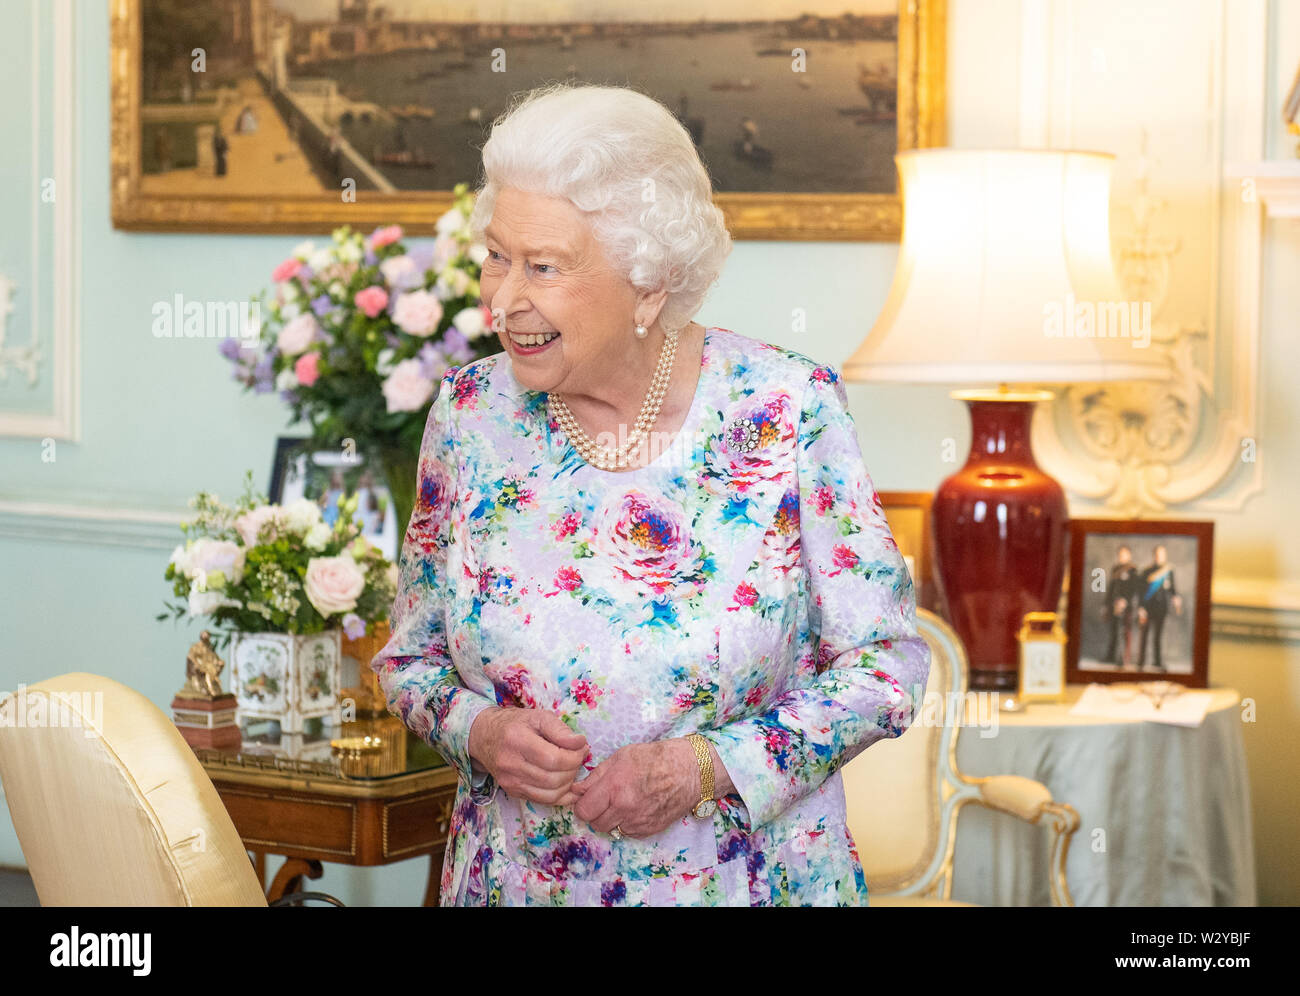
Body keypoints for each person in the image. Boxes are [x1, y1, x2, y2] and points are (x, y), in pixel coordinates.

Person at [370, 82, 930, 907]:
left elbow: (888, 667)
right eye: (498, 256)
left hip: (744, 883)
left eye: (544, 266)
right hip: (517, 883)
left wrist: (705, 767)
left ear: (649, 282)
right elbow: (408, 661)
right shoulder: (469, 414)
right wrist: (478, 732)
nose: (502, 300)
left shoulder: (785, 408)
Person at [1137, 544, 1182, 671]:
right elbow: (1141, 592)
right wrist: (1141, 608)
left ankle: (1157, 661)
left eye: (1162, 554)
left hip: (1161, 607)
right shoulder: (1147, 571)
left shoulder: (1168, 571)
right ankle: (1141, 662)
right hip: (1148, 607)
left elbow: (1172, 589)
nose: (1160, 557)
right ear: (1154, 555)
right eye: (1158, 554)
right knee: (1144, 635)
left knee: (1158, 636)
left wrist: (1176, 598)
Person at [1102, 544, 1139, 666]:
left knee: (1125, 632)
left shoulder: (1133, 570)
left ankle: (1124, 658)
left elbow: (1134, 589)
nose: (1121, 556)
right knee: (1114, 631)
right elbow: (1111, 588)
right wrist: (1106, 604)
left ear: (1129, 555)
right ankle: (1111, 656)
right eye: (1120, 554)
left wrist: (1125, 601)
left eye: (1124, 554)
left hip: (1126, 606)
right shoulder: (1115, 568)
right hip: (1114, 604)